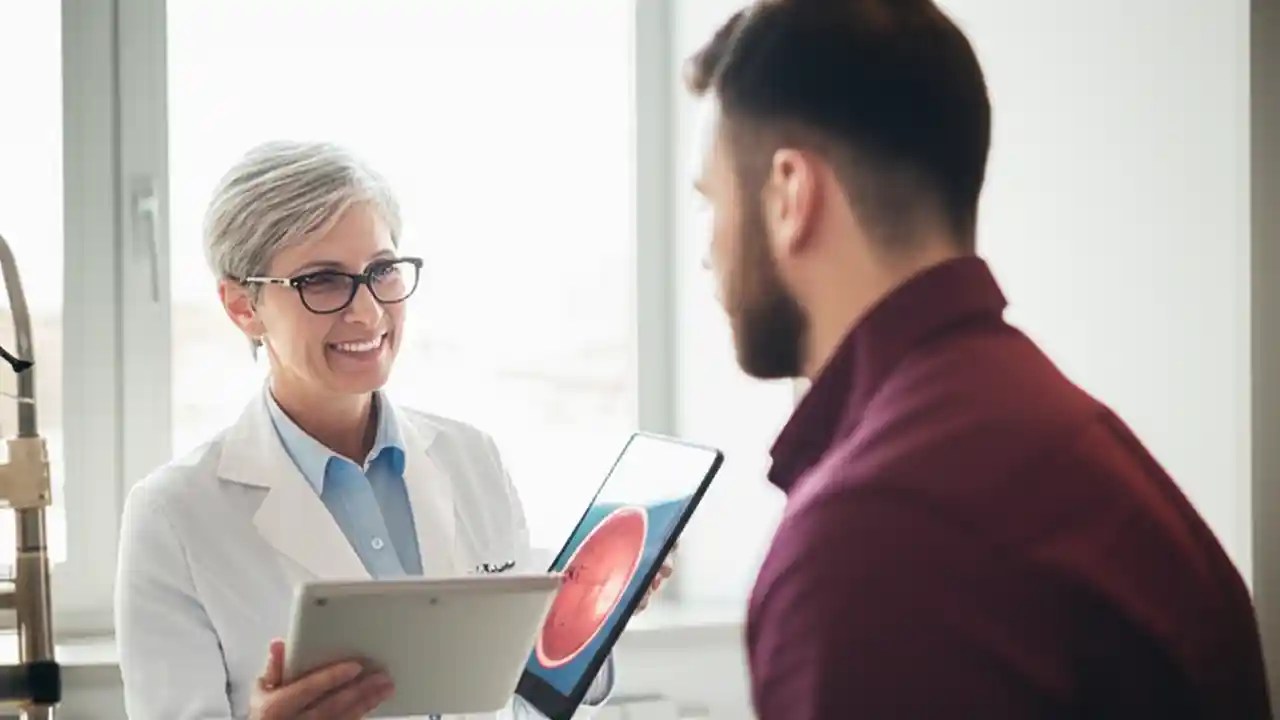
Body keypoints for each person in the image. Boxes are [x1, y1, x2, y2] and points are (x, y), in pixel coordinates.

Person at [684, 1, 1272, 718]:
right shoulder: (1069, 442)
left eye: (712, 202)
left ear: (789, 195)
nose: (708, 249)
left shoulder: (872, 539)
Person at [114, 140, 671, 719]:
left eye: (381, 271)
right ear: (242, 306)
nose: (368, 312)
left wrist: (592, 621)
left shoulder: (471, 458)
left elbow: (514, 702)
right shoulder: (174, 515)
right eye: (322, 281)